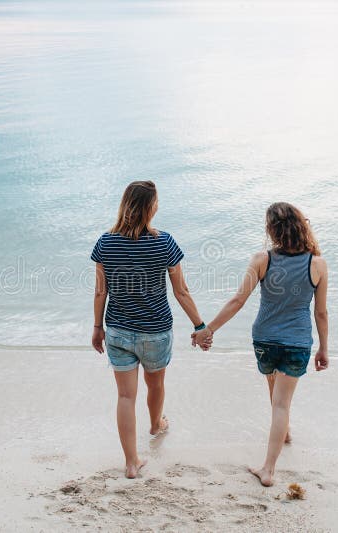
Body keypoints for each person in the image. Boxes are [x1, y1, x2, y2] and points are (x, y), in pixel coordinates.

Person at [192, 202, 329, 487]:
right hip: (297, 343)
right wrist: (323, 348)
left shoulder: (261, 260)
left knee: (273, 386)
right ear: (301, 226)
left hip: (265, 340)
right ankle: (268, 469)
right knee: (282, 403)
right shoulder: (317, 264)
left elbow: (237, 301)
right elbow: (321, 313)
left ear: (271, 230)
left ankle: (285, 432)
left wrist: (209, 330)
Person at [91, 180, 209, 479]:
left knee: (125, 397)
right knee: (155, 385)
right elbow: (181, 291)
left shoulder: (105, 243)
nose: (158, 206)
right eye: (156, 202)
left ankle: (132, 463)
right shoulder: (164, 242)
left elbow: (100, 293)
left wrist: (96, 328)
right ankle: (156, 425)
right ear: (149, 208)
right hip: (155, 331)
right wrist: (200, 325)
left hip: (117, 330)